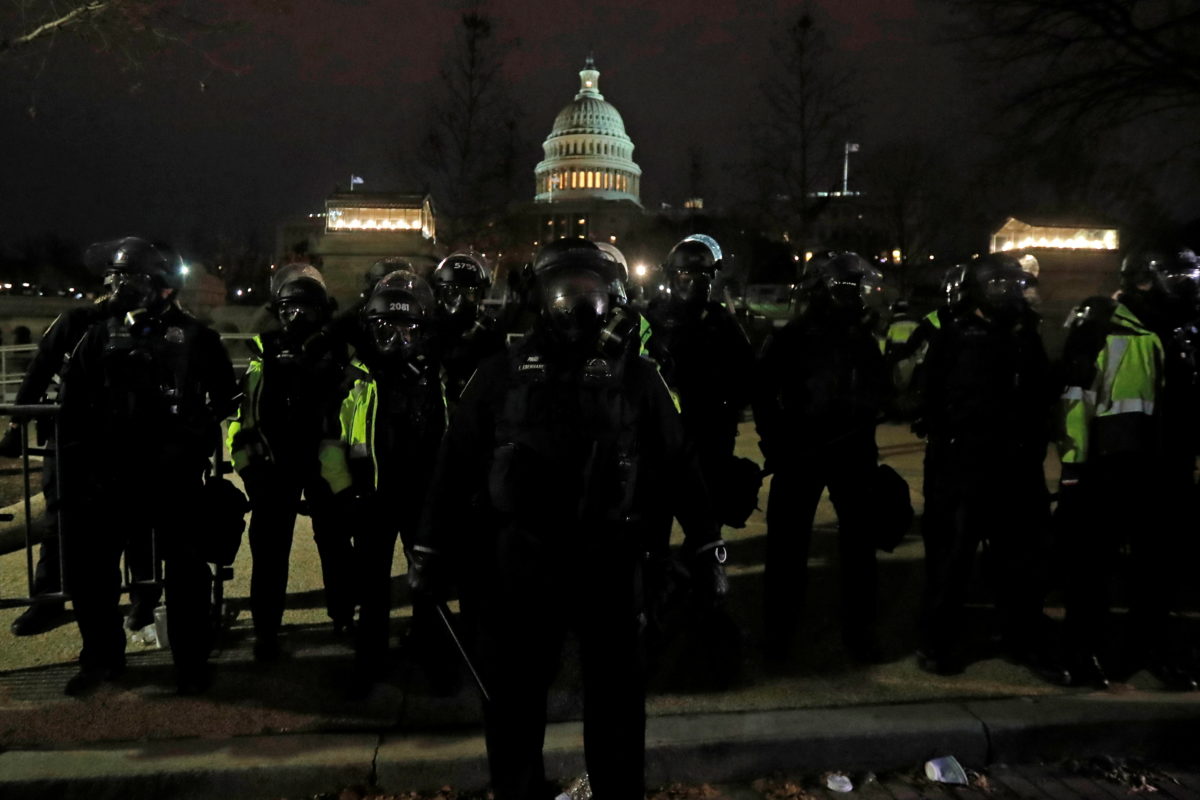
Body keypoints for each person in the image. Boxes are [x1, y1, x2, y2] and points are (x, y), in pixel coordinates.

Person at [409, 238, 728, 800]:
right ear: (541, 299)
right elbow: (454, 465)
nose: (577, 308)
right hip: (521, 565)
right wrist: (430, 550)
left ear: (615, 300)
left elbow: (680, 464)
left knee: (617, 707)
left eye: (591, 295)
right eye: (564, 294)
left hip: (609, 561)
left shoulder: (637, 377)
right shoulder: (500, 375)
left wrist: (706, 545)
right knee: (513, 704)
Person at [57, 237, 237, 695]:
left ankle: (191, 662)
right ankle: (101, 657)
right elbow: (73, 402)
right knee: (93, 570)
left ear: (162, 287)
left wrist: (194, 439)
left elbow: (224, 399)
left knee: (188, 573)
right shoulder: (98, 334)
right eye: (117, 280)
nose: (121, 289)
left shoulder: (197, 338)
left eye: (132, 280)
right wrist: (80, 467)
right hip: (109, 476)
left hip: (174, 476)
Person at [914, 254, 1066, 682]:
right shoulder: (954, 334)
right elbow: (925, 394)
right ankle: (938, 643)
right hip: (962, 465)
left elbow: (1041, 391)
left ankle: (1023, 640)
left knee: (1022, 562)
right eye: (999, 285)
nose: (1010, 292)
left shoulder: (1027, 333)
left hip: (1016, 465)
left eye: (1014, 284)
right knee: (951, 562)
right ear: (979, 289)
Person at [1056, 250, 1198, 690]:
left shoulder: (1184, 331)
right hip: (1111, 468)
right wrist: (1074, 468)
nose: (1186, 285)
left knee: (1159, 571)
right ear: (1142, 281)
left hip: (1167, 470)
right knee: (1092, 569)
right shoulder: (1103, 327)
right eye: (1174, 276)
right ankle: (1083, 655)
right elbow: (1075, 399)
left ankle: (1148, 652)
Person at [1, 291, 167, 638]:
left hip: (129, 440)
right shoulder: (75, 321)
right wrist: (18, 424)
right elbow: (40, 368)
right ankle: (48, 599)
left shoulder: (157, 323)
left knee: (139, 521)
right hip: (72, 441)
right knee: (58, 521)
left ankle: (144, 598)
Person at [754, 250, 889, 664]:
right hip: (803, 450)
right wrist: (775, 440)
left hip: (850, 450)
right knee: (788, 550)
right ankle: (779, 635)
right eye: (844, 288)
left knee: (857, 549)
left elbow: (879, 390)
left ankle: (857, 631)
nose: (851, 296)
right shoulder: (792, 336)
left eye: (855, 288)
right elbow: (762, 393)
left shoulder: (861, 338)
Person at [318, 270, 448, 694]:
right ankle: (369, 661)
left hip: (421, 497)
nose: (395, 341)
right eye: (383, 330)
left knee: (428, 584)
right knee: (371, 588)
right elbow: (331, 442)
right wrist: (345, 493)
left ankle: (431, 656)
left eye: (405, 330)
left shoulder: (435, 379)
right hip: (371, 497)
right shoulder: (354, 379)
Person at [228, 264, 349, 661]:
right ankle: (266, 629)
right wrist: (250, 468)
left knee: (334, 545)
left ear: (321, 312)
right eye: (288, 310)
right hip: (275, 466)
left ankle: (344, 617)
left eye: (305, 310)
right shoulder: (263, 353)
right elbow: (244, 418)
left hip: (324, 463)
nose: (295, 319)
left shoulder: (338, 353)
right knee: (269, 550)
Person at [646, 235, 755, 529]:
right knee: (653, 534)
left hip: (711, 438)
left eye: (704, 274)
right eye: (686, 273)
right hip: (660, 440)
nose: (695, 281)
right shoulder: (650, 320)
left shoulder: (722, 323)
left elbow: (749, 377)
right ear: (672, 275)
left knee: (706, 533)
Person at [429, 252, 506, 409]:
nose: (460, 302)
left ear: (479, 296)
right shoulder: (427, 333)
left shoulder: (488, 337)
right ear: (439, 295)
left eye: (470, 293)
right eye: (452, 293)